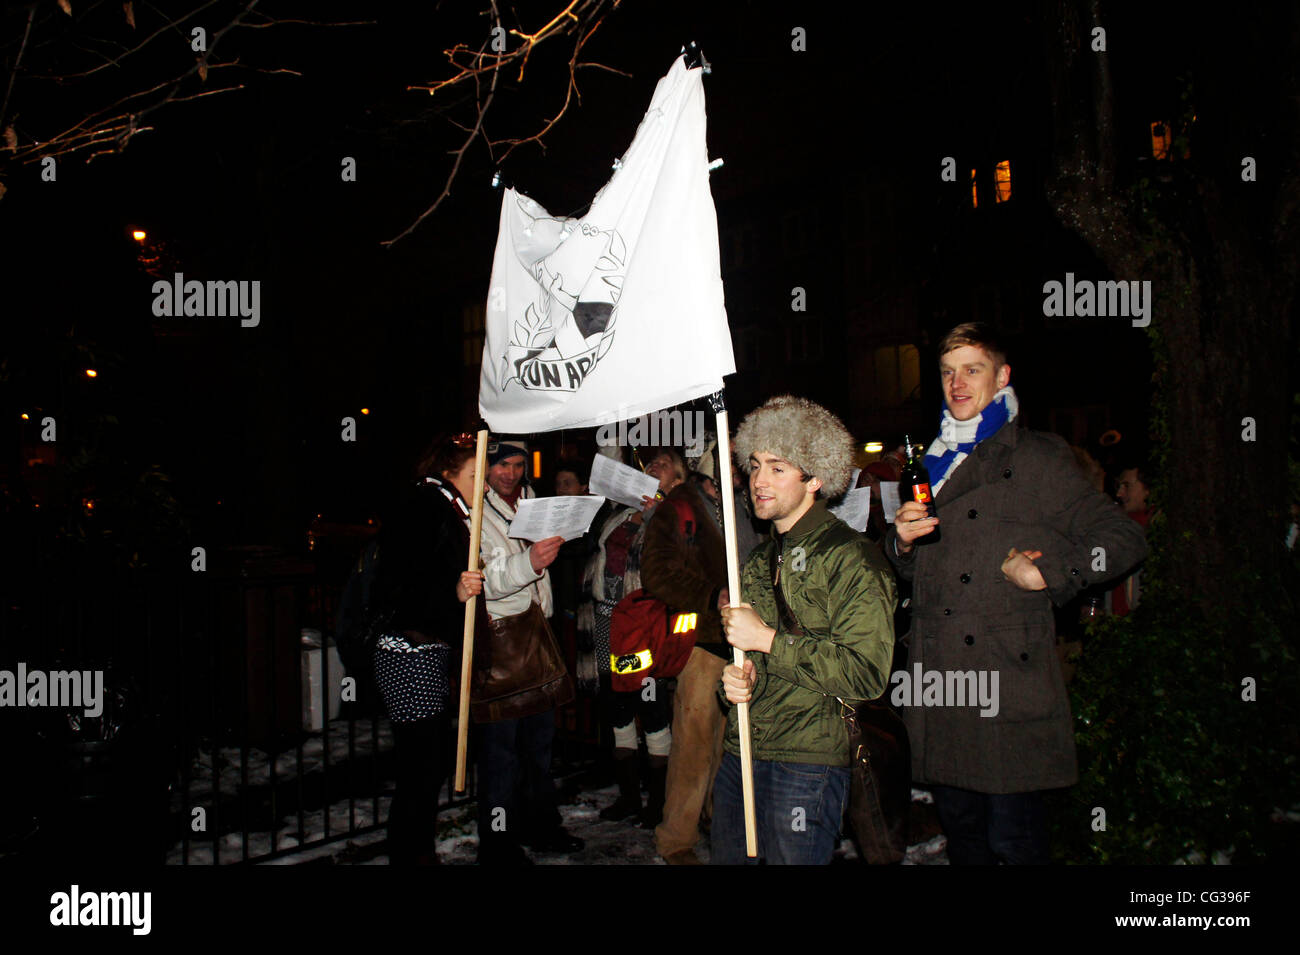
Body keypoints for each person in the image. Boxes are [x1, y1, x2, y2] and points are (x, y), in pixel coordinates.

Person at [885, 322, 1148, 864]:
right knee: (966, 841)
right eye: (948, 372)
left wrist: (1053, 572)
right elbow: (921, 575)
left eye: (972, 369)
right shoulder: (932, 461)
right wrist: (901, 545)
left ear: (1002, 376)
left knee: (1015, 844)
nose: (957, 383)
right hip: (943, 683)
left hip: (1006, 680)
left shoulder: (1038, 457)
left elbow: (1124, 537)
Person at [714, 395, 898, 865]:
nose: (758, 480)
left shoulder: (852, 558)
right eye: (754, 465)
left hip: (806, 761)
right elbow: (754, 659)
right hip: (743, 751)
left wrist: (767, 640)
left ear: (815, 479)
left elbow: (865, 674)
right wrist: (740, 679)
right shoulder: (757, 558)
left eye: (778, 467)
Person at [370, 432, 486, 866]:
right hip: (407, 652)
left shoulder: (444, 507)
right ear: (448, 473)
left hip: (422, 651)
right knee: (422, 764)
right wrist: (453, 592)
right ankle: (411, 854)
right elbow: (404, 585)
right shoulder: (426, 507)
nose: (486, 485)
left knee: (424, 763)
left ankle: (414, 850)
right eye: (476, 476)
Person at [475, 438, 583, 864]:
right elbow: (484, 576)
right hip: (502, 642)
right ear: (486, 467)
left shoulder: (532, 499)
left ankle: (540, 826)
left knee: (539, 745)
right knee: (500, 753)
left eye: (519, 465)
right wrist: (532, 562)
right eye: (503, 465)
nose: (511, 473)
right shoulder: (474, 511)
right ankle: (497, 843)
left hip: (538, 632)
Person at [583, 449, 684, 826]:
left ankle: (657, 802)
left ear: (676, 481)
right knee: (617, 708)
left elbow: (674, 556)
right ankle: (628, 796)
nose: (654, 466)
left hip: (643, 630)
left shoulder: (674, 515)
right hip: (608, 625)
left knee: (651, 706)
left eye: (664, 465)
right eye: (650, 463)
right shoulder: (622, 512)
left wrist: (655, 510)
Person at [640, 458, 732, 864]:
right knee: (693, 745)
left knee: (727, 743)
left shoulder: (744, 506)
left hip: (740, 642)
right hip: (700, 641)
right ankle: (676, 838)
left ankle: (717, 816)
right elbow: (656, 574)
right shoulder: (678, 507)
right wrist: (713, 595)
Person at [1110, 460, 1153, 616]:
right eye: (1119, 486)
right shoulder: (1118, 525)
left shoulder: (1157, 530)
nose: (1119, 493)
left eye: (1127, 486)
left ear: (1147, 489)